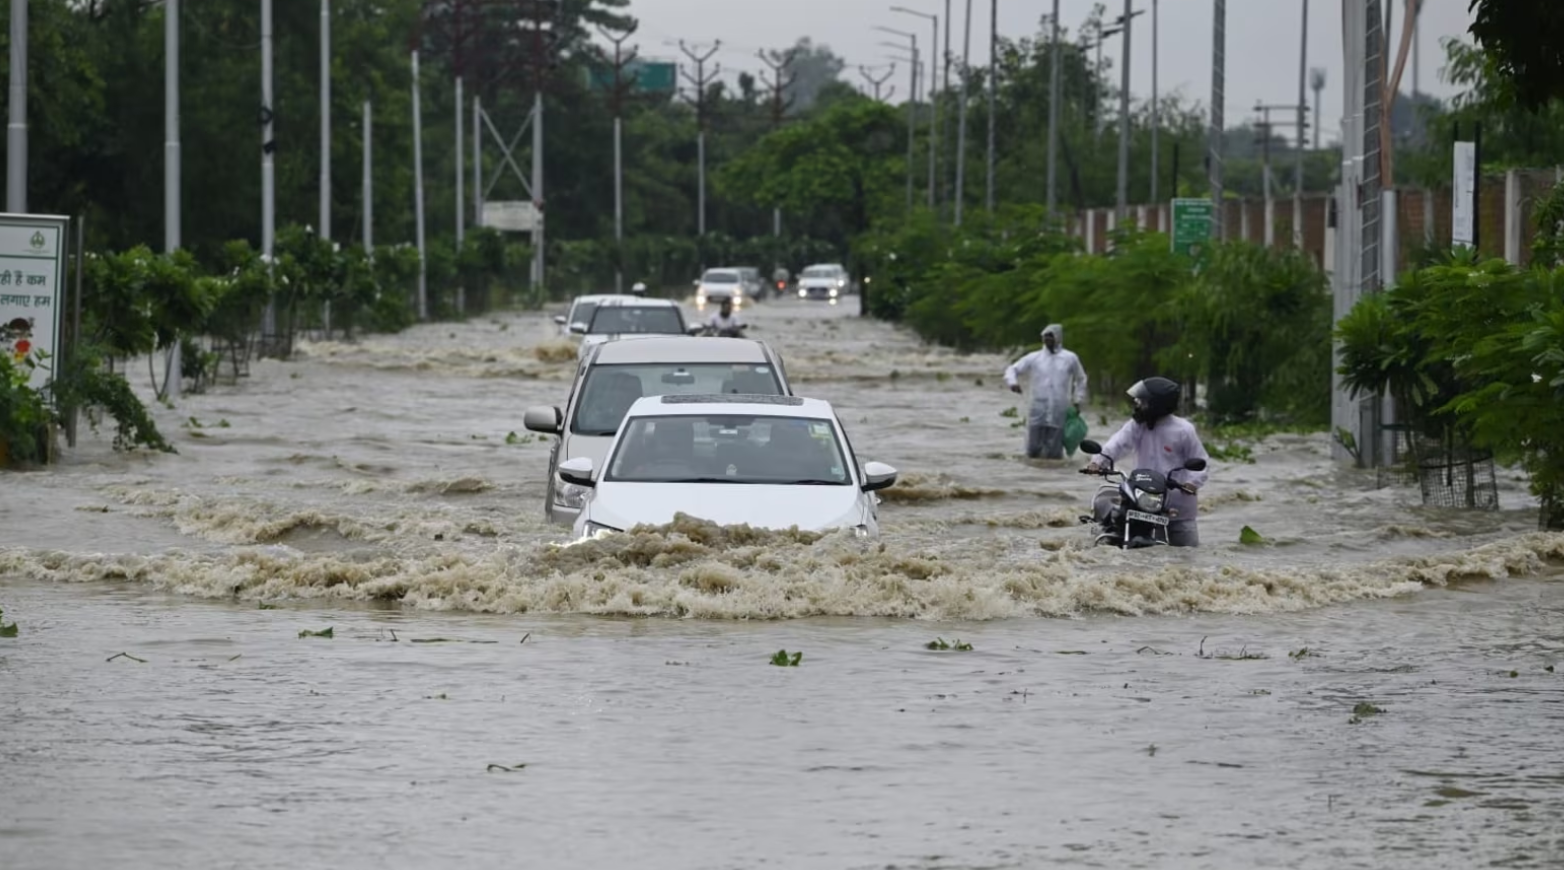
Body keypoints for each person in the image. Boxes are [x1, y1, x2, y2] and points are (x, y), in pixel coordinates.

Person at [1085, 376, 1210, 547]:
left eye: (1142, 401)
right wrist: (1098, 463)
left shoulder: (1184, 430)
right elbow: (1117, 444)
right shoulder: (1137, 426)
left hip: (1177, 502)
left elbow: (1201, 462)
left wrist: (1191, 483)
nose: (1137, 404)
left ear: (1157, 404)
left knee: (1187, 553)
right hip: (1142, 499)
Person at [1003, 323, 1087, 459]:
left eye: (1051, 336)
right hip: (1037, 407)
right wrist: (1012, 382)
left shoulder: (1069, 358)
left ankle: (1052, 476)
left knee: (1054, 452)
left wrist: (1078, 400)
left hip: (1059, 408)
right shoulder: (1034, 357)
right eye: (1045, 336)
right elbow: (1012, 369)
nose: (1048, 339)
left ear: (1058, 337)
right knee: (1032, 449)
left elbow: (1081, 378)